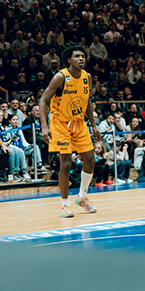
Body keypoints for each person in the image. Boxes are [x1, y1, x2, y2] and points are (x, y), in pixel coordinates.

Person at [39, 45, 104, 218]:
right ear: (69, 60)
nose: (81, 59)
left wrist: (94, 125)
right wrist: (44, 126)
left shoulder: (87, 77)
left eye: (83, 56)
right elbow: (43, 100)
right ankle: (65, 204)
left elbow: (87, 102)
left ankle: (82, 197)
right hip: (60, 123)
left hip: (79, 123)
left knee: (90, 160)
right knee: (66, 162)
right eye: (77, 56)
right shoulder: (60, 77)